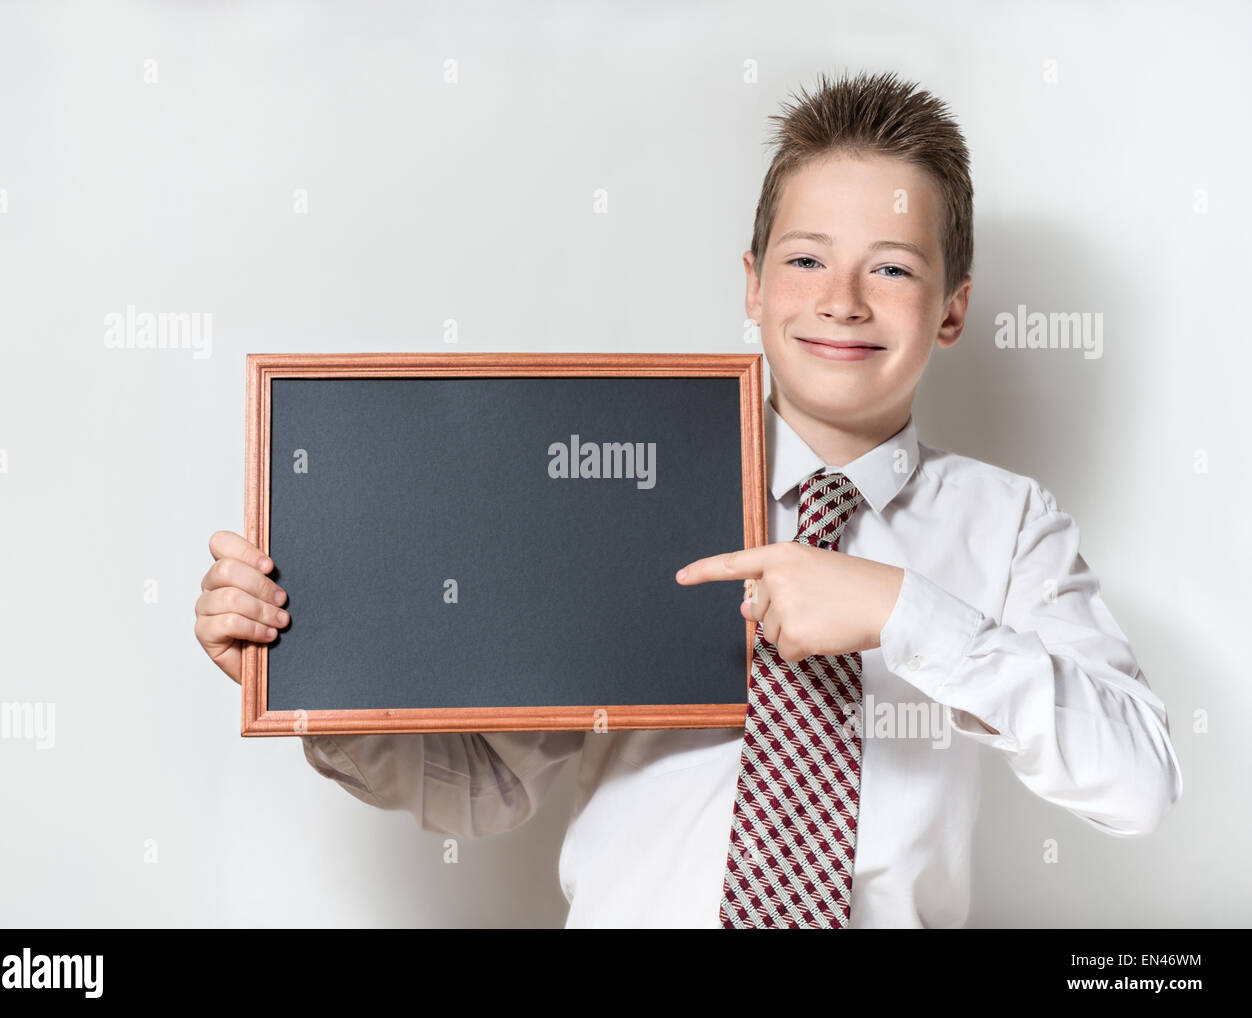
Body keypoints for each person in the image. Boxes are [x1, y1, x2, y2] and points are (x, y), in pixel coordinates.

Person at [194, 70, 1182, 928]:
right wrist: (311, 676)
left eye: (890, 268)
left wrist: (903, 610)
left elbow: (1139, 783)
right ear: (752, 284)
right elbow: (484, 791)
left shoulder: (1009, 527)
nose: (841, 298)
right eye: (804, 260)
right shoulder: (614, 482)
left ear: (953, 307)